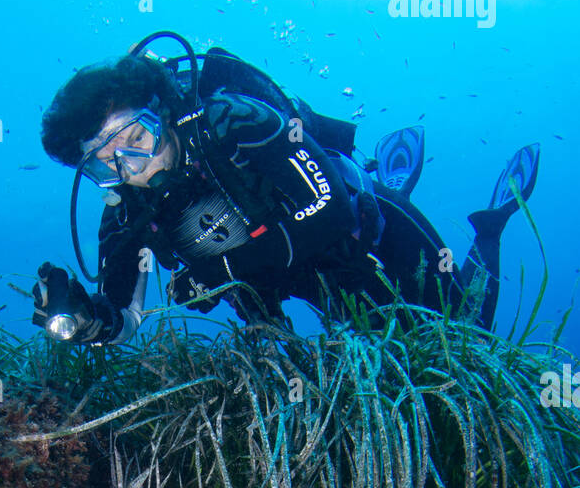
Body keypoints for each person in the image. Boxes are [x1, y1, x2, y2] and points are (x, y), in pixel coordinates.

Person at [33, 35, 540, 346]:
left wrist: (220, 272)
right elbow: (126, 317)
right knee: (380, 349)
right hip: (293, 280)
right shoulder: (125, 208)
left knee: (467, 333)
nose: (132, 168)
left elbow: (332, 214)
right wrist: (86, 321)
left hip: (358, 231)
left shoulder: (231, 121)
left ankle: (488, 228)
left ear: (162, 113)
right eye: (107, 160)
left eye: (137, 139)